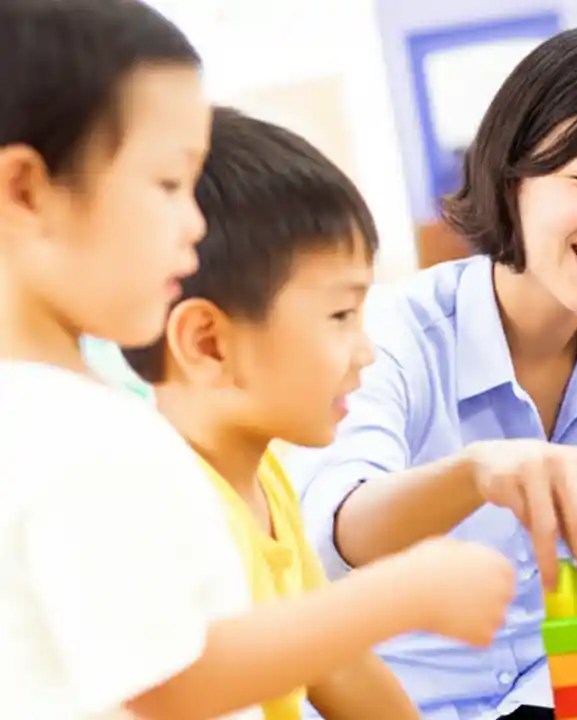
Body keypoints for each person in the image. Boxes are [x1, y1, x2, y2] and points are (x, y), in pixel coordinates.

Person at [0, 3, 511, 717]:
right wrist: (404, 592)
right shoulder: (82, 437)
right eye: (168, 185)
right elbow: (168, 683)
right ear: (26, 190)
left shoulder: (55, 419)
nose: (195, 223)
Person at [290, 25, 577, 719]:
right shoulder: (392, 333)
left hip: (574, 698)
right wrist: (474, 474)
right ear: (513, 179)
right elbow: (333, 533)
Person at [119, 107, 427, 718]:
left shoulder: (262, 477)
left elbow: (339, 666)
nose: (366, 352)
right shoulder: (171, 518)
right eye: (341, 315)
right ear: (208, 342)